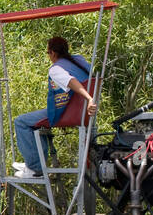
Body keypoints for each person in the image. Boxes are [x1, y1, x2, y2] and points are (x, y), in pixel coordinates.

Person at [12, 35, 97, 178]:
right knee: (36, 124)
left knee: (21, 122)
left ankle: (35, 168)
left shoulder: (55, 69)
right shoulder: (79, 60)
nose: (49, 56)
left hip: (67, 113)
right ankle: (33, 162)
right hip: (80, 112)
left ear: (53, 53)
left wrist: (89, 98)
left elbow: (72, 81)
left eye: (48, 53)